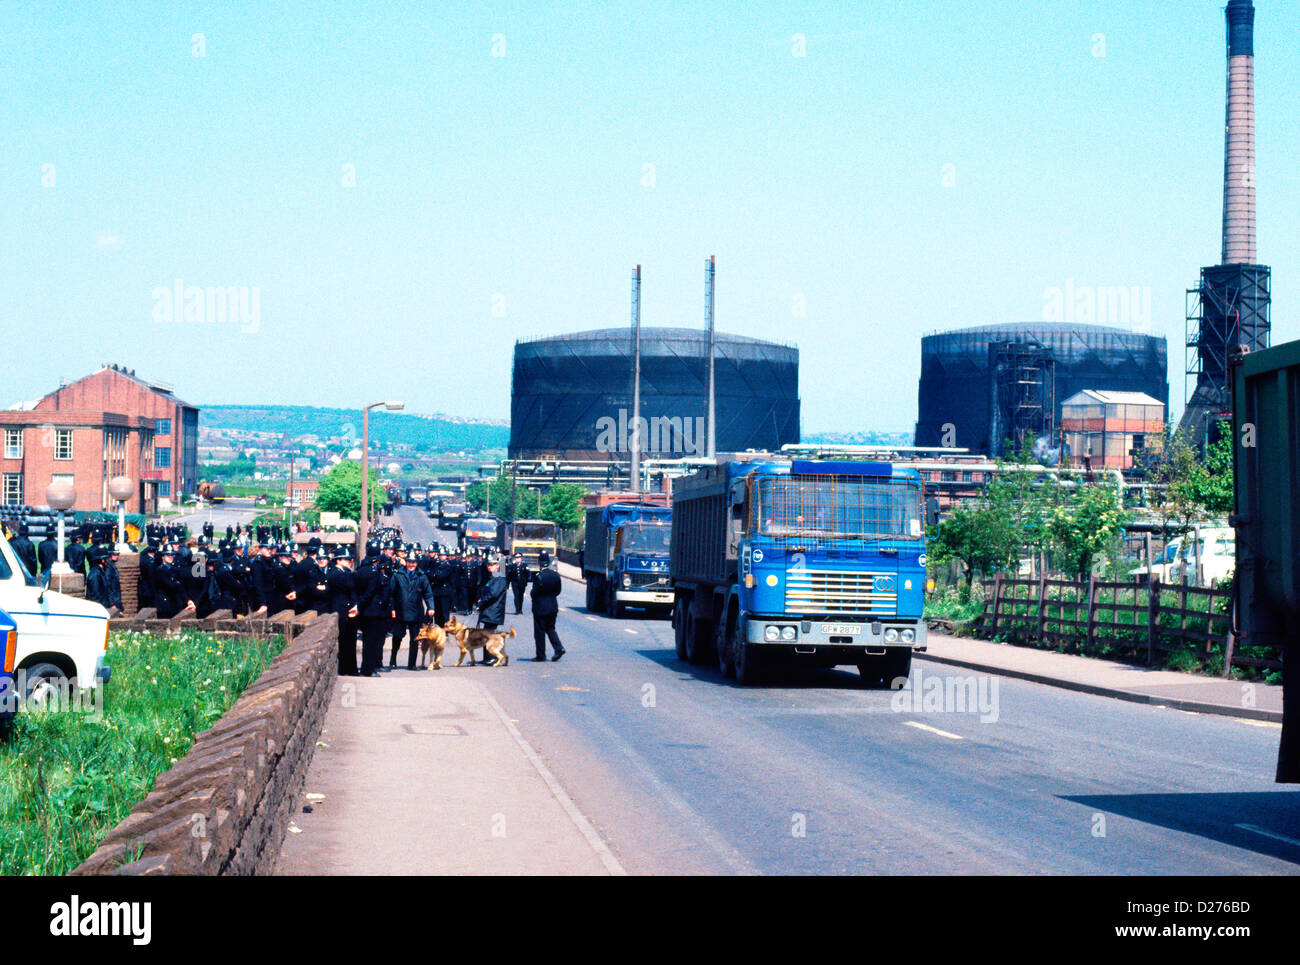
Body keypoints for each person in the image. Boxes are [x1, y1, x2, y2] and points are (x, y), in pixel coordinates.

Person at [389, 554, 435, 670]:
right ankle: (393, 660)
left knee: (415, 638)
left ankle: (412, 664)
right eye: (409, 562)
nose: (411, 565)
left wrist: (431, 607)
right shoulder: (397, 575)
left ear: (417, 563)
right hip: (400, 611)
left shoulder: (422, 576)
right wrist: (392, 609)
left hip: (416, 611)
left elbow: (428, 593)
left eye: (414, 562)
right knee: (397, 637)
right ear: (406, 562)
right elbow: (391, 594)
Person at [356, 544, 391, 677]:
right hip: (372, 611)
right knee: (371, 642)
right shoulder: (374, 572)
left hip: (364, 611)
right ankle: (368, 670)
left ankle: (367, 668)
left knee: (367, 641)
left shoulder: (360, 570)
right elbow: (370, 593)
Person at [327, 546, 360, 676]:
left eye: (349, 560)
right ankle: (344, 668)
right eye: (346, 560)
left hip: (349, 611)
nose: (349, 562)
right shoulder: (336, 574)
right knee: (344, 642)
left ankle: (350, 668)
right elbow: (350, 586)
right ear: (338, 560)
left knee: (350, 641)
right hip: (341, 612)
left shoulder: (345, 573)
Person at [474, 558, 510, 667]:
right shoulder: (493, 578)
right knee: (487, 635)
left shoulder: (499, 579)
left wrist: (482, 602)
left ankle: (492, 658)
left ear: (498, 566)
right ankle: (487, 658)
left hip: (493, 611)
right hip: (489, 610)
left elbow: (493, 594)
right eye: (488, 565)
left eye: (492, 565)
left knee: (490, 636)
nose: (489, 566)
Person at [531, 552, 565, 661]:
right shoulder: (556, 575)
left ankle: (541, 655)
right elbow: (558, 591)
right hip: (553, 606)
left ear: (539, 563)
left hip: (540, 607)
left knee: (539, 632)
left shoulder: (539, 576)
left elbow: (534, 593)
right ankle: (558, 648)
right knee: (551, 628)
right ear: (549, 562)